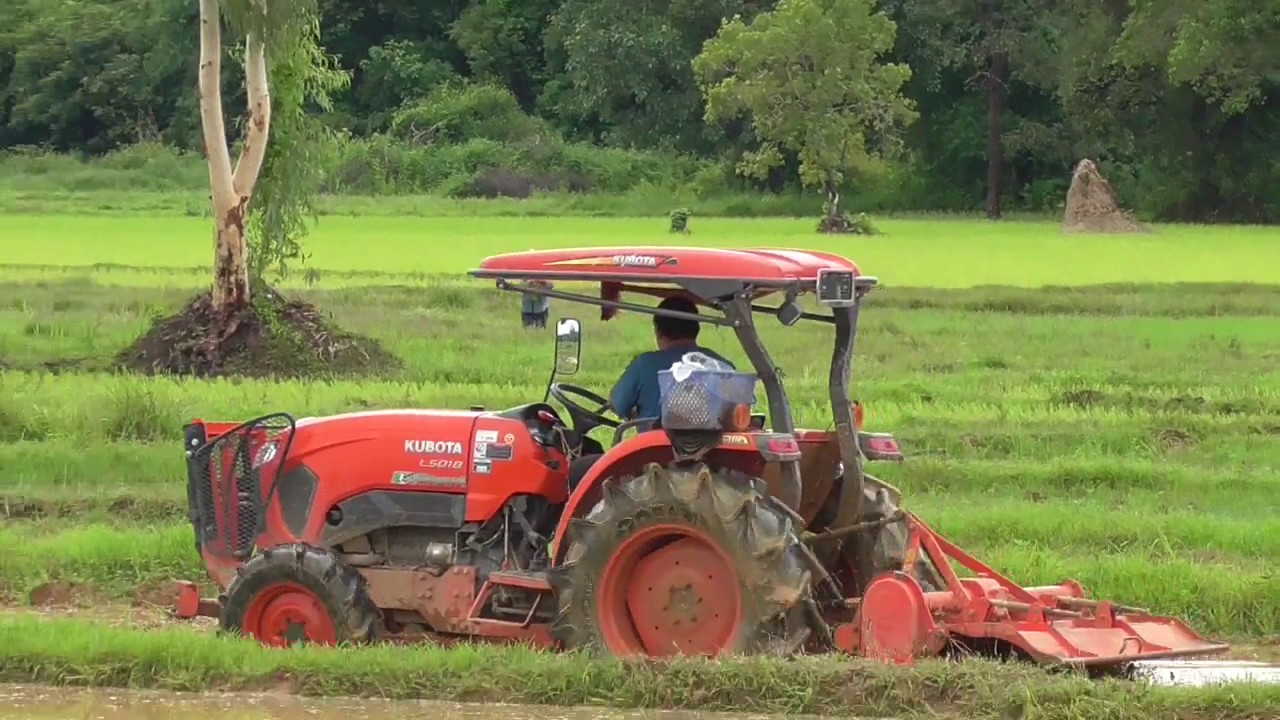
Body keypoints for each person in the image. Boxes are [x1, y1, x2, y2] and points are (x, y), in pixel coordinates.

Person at [608, 295, 734, 422]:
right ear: (697, 329)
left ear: (658, 331)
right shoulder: (722, 366)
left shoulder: (645, 364)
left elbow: (619, 405)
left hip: (657, 441)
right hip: (714, 441)